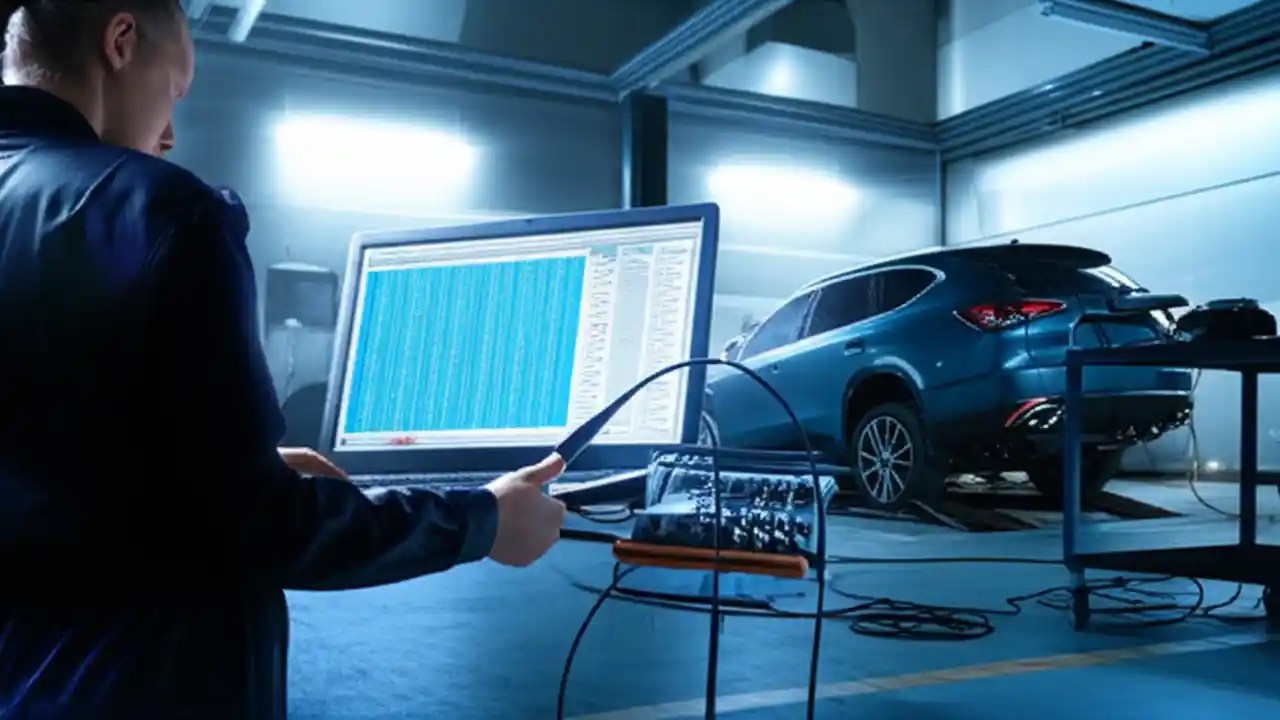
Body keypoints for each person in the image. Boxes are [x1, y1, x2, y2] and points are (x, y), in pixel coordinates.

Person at [0, 2, 568, 718]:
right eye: (174, 90)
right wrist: (483, 522)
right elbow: (263, 527)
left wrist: (221, 461)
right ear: (121, 42)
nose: (170, 134)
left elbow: (56, 466)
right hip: (149, 688)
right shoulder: (163, 211)